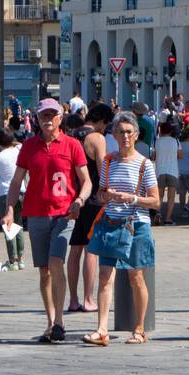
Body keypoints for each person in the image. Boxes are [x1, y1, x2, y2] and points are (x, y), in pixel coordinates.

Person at [0, 98, 91, 343]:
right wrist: (10, 210)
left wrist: (80, 201)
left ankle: (60, 321)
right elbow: (16, 182)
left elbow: (87, 181)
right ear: (37, 119)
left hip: (64, 214)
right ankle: (50, 322)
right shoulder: (29, 147)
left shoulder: (72, 145)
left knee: (55, 262)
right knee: (44, 271)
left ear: (61, 118)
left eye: (52, 115)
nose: (48, 120)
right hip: (36, 213)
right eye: (43, 116)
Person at [82, 112, 159, 346]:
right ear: (113, 135)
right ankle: (102, 329)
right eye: (120, 132)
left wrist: (132, 198)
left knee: (136, 277)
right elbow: (101, 192)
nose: (125, 136)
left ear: (135, 135)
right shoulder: (107, 161)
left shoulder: (145, 164)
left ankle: (139, 328)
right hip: (111, 223)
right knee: (105, 276)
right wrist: (107, 195)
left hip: (136, 225)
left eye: (129, 132)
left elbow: (155, 201)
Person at [67, 103, 110, 311]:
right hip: (92, 198)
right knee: (91, 249)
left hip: (72, 198)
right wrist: (108, 193)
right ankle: (88, 299)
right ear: (101, 121)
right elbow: (102, 170)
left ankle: (73, 300)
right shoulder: (97, 138)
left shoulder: (71, 135)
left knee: (74, 250)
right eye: (106, 124)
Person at [0, 128, 27, 269]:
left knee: (8, 227)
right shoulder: (19, 150)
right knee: (19, 225)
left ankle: (13, 260)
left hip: (5, 194)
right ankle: (21, 259)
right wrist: (12, 141)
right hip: (21, 191)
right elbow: (20, 143)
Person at [152, 119, 181, 225]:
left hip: (160, 171)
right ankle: (168, 219)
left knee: (159, 196)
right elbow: (180, 155)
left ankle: (158, 213)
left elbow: (153, 157)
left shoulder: (158, 141)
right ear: (170, 131)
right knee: (171, 197)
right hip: (172, 171)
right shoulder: (175, 141)